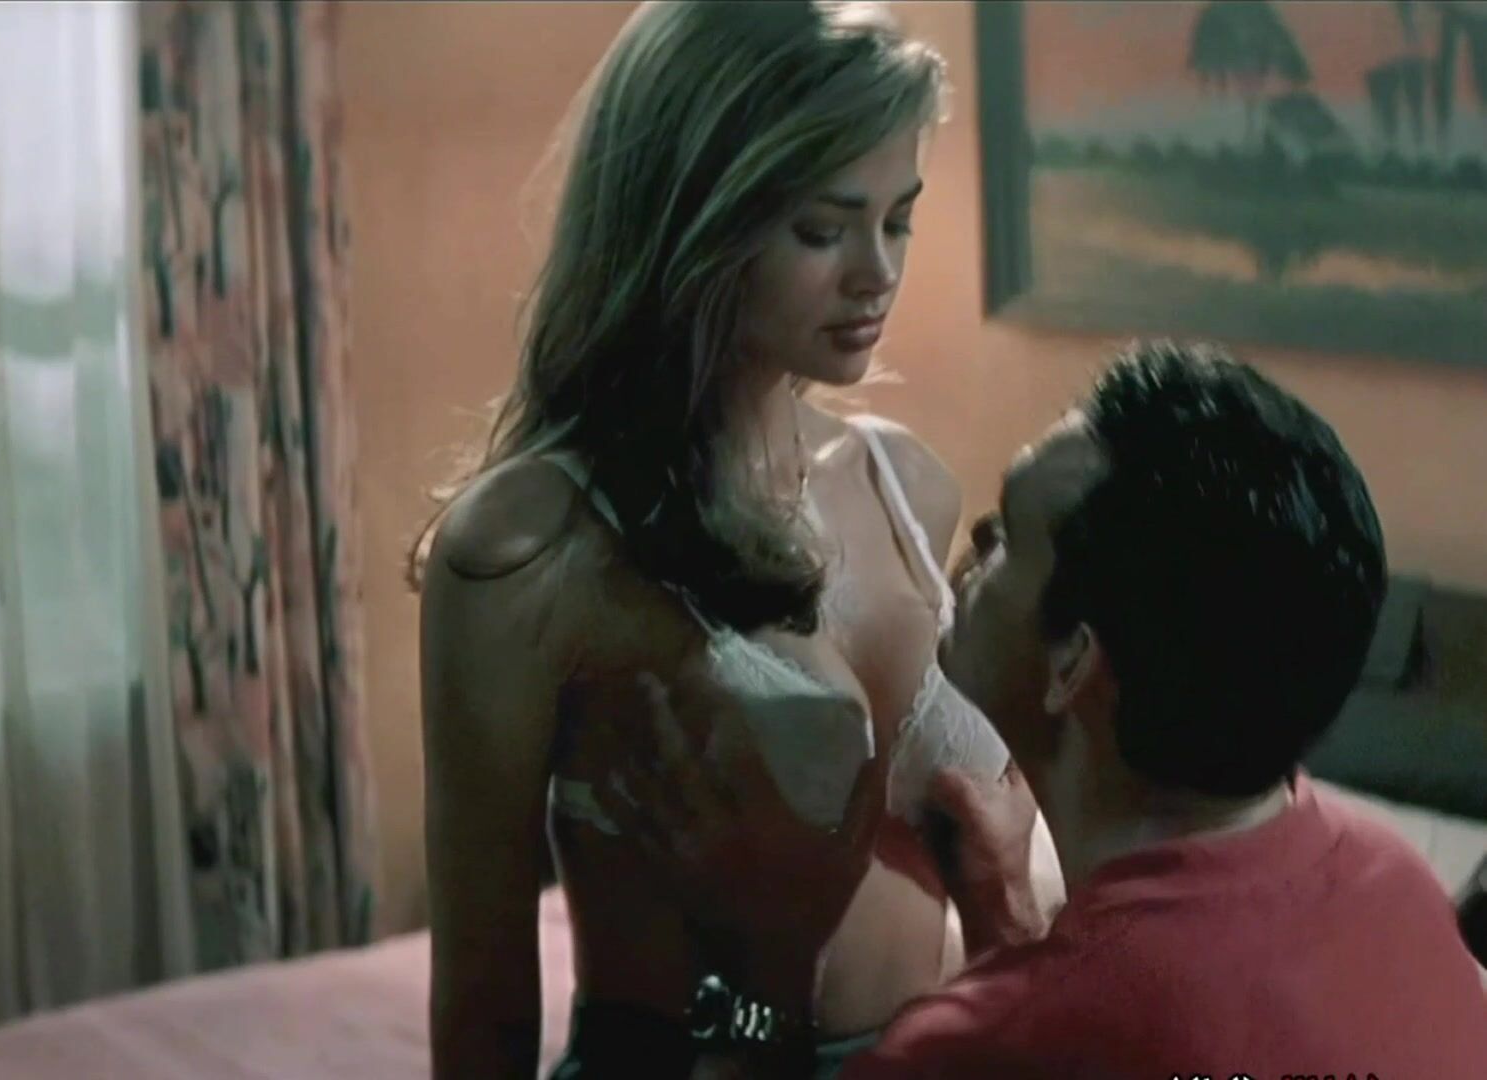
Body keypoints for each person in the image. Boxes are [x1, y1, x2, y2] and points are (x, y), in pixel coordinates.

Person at [412, 3, 1055, 1077]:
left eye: (897, 221)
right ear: (691, 221)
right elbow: (482, 1005)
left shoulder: (906, 487)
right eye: (823, 229)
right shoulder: (532, 552)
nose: (876, 272)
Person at [596, 342, 1487, 1078]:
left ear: (1074, 662)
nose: (975, 538)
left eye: (1010, 535)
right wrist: (1008, 922)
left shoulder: (987, 1046)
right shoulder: (1401, 892)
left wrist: (769, 965)